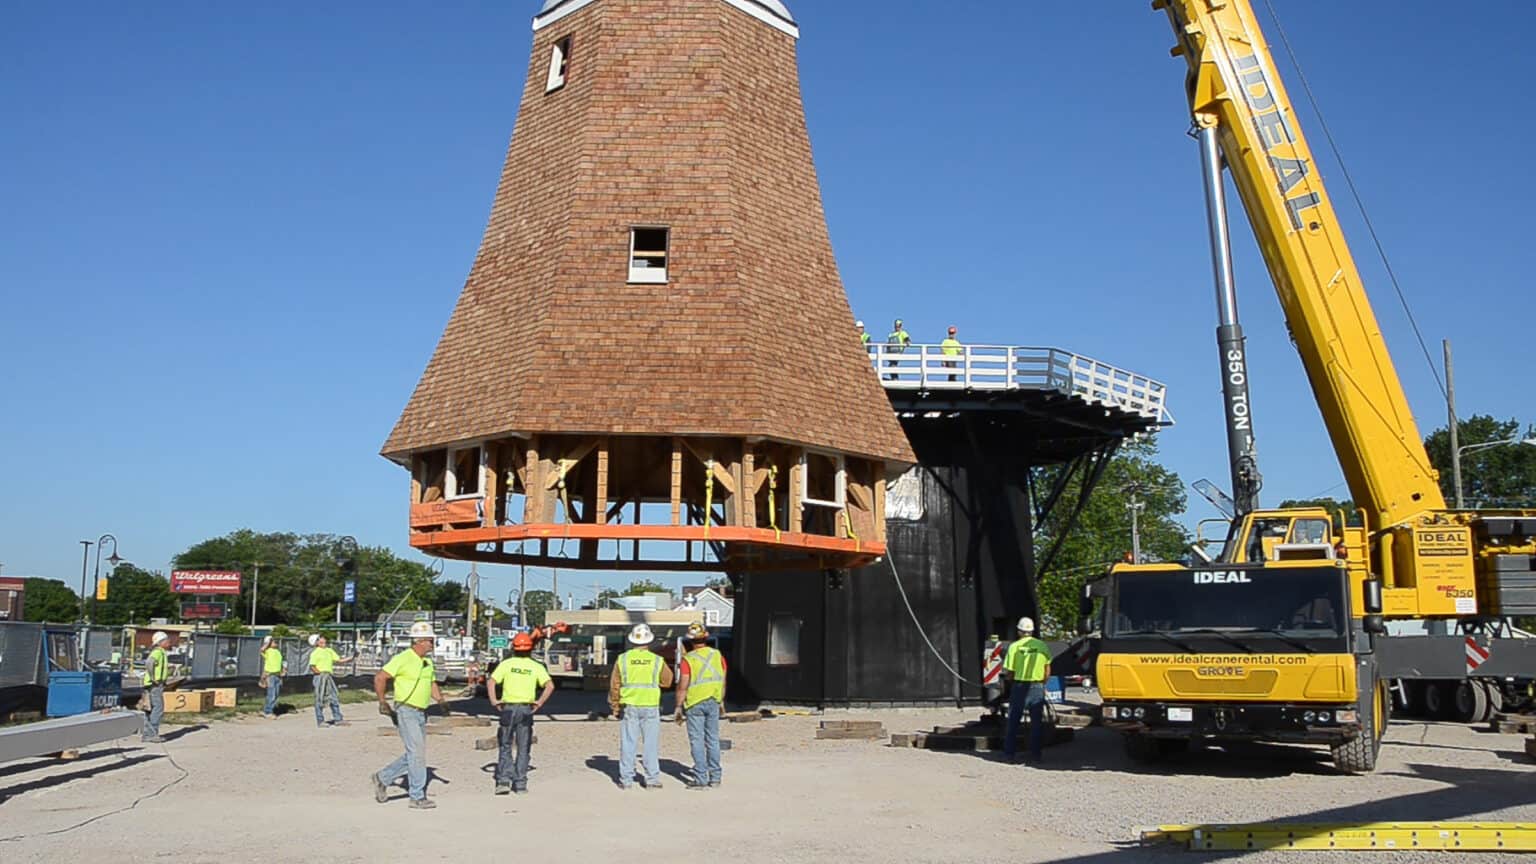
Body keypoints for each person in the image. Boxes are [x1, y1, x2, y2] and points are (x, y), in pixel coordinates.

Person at [371, 621, 445, 810]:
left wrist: (440, 700)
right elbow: (380, 677)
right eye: (430, 640)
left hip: (421, 712)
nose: (432, 644)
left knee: (415, 753)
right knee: (416, 752)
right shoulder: (403, 658)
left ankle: (383, 777)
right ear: (419, 641)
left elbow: (431, 683)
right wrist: (382, 701)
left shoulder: (427, 662)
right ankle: (417, 796)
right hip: (406, 710)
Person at [487, 632, 555, 795]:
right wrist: (539, 702)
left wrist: (494, 700)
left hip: (508, 708)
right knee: (523, 747)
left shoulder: (506, 664)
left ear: (514, 648)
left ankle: (503, 781)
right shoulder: (536, 666)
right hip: (526, 710)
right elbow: (550, 686)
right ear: (530, 649)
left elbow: (491, 681)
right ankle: (520, 784)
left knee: (505, 744)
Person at [608, 624, 673, 790]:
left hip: (630, 705)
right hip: (650, 705)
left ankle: (626, 780)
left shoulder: (622, 659)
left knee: (628, 743)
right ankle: (652, 779)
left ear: (632, 641)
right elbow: (667, 681)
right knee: (650, 744)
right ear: (649, 640)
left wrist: (615, 705)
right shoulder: (657, 660)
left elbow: (615, 684)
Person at [674, 621, 726, 789]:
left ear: (689, 640)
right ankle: (715, 777)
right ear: (706, 637)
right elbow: (722, 679)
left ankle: (701, 778)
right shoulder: (717, 655)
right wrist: (721, 701)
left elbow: (683, 685)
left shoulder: (688, 659)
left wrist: (678, 707)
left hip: (694, 703)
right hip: (713, 700)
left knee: (697, 740)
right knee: (713, 739)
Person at [1002, 616, 1052, 764]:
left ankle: (1009, 755)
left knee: (1013, 721)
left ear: (1019, 631)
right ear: (1032, 631)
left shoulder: (1014, 647)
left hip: (1019, 686)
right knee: (1036, 723)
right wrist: (1042, 683)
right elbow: (1047, 669)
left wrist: (1010, 682)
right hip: (1036, 686)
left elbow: (1010, 672)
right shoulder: (1042, 646)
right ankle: (1036, 755)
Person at [307, 634, 353, 727]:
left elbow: (339, 660)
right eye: (320, 639)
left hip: (328, 676)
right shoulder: (315, 653)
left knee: (333, 697)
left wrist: (352, 657)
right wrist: (320, 673)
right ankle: (320, 721)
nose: (323, 640)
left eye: (323, 639)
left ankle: (338, 719)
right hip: (320, 677)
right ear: (316, 643)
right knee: (319, 698)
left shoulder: (329, 650)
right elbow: (312, 666)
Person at [141, 631, 171, 743]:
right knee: (158, 708)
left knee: (150, 708)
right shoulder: (158, 652)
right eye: (167, 640)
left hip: (153, 684)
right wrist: (153, 678)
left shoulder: (159, 652)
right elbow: (149, 663)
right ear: (160, 642)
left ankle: (147, 733)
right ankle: (151, 734)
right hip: (155, 685)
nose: (169, 642)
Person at [259, 636, 286, 718]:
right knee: (272, 694)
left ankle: (268, 709)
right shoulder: (267, 651)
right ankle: (268, 712)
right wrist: (268, 642)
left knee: (276, 694)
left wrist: (283, 670)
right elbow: (261, 650)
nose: (275, 642)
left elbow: (281, 662)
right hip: (270, 675)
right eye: (273, 641)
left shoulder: (277, 652)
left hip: (278, 675)